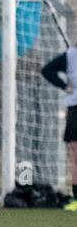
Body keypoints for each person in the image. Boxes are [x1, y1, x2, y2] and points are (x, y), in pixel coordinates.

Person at [41, 42, 77, 202]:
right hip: (75, 108)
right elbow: (47, 71)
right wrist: (65, 86)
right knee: (75, 155)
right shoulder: (71, 55)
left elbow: (47, 70)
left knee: (75, 156)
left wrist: (65, 86)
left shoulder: (70, 55)